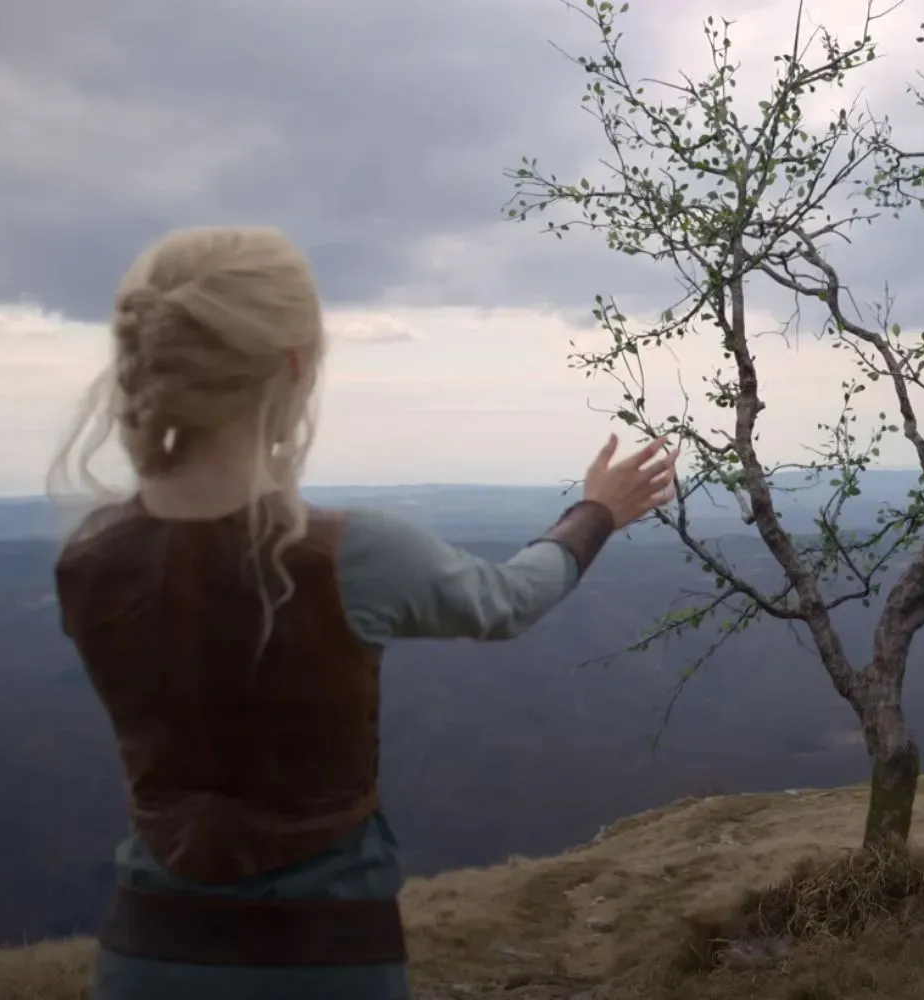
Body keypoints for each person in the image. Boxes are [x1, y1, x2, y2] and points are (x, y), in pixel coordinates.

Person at [45, 225, 678, 1000]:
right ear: (296, 365)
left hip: (144, 951)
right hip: (325, 957)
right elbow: (507, 602)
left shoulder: (88, 558)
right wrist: (596, 513)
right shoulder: (351, 554)